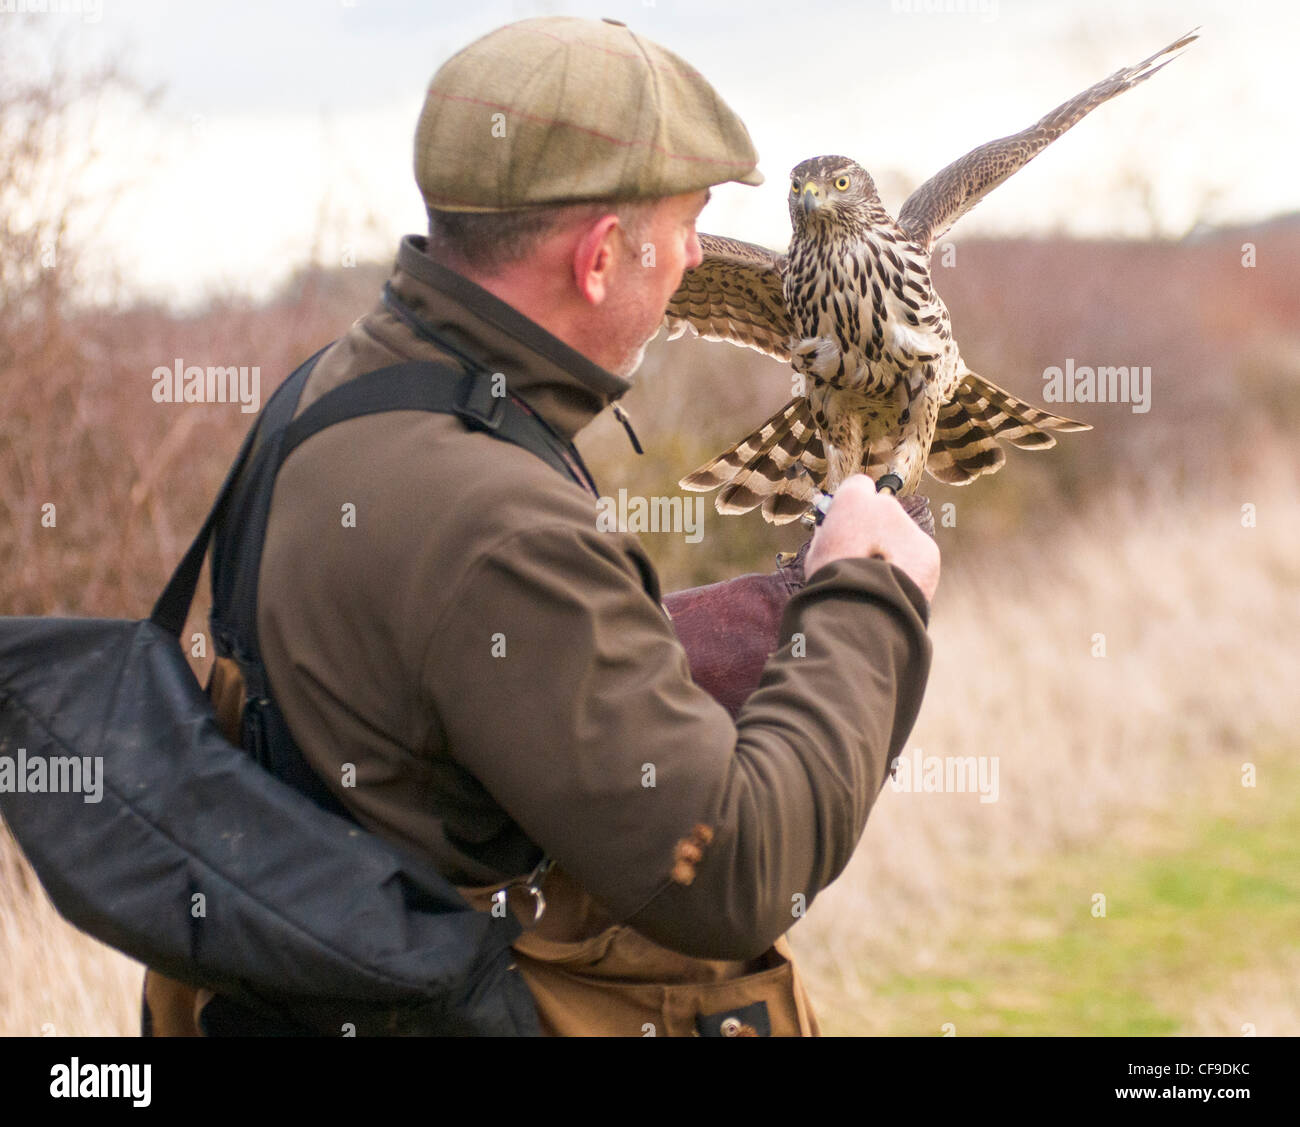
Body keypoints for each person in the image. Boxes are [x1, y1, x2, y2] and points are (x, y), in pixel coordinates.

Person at [143, 15, 938, 1037]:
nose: (700, 257)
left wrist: (695, 639)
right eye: (690, 223)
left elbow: (441, 697)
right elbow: (735, 870)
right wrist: (865, 594)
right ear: (602, 256)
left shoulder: (334, 394)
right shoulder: (494, 515)